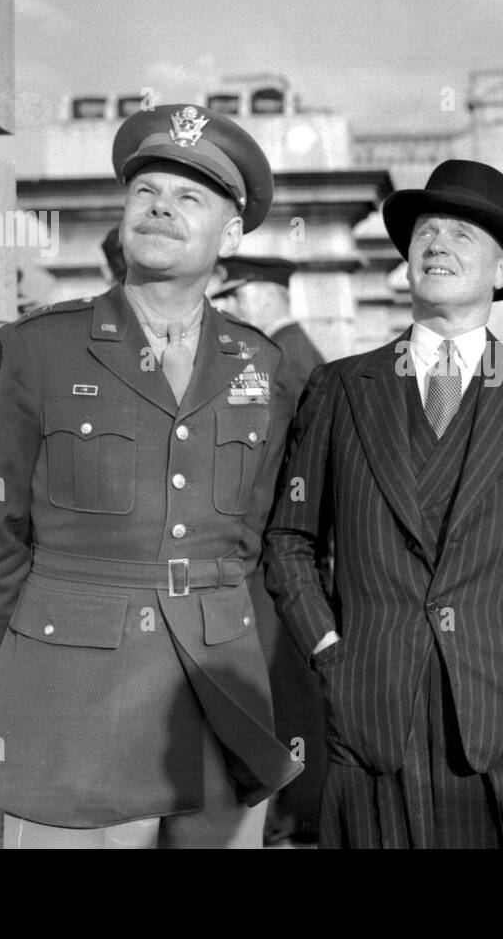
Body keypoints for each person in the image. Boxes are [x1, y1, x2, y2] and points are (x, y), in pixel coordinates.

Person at [0, 103, 302, 848]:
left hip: (218, 701)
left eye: (189, 198)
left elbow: (251, 539)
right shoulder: (37, 349)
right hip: (73, 710)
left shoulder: (260, 366)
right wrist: (61, 630)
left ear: (230, 234)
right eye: (146, 193)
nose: (161, 210)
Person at [265, 159, 503, 849]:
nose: (437, 245)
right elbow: (290, 538)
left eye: (462, 233)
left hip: (500, 715)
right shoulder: (341, 388)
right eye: (426, 230)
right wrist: (329, 647)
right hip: (371, 710)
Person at [209, 254, 329, 845]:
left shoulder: (279, 366)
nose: (224, 308)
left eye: (231, 296)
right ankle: (297, 814)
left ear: (259, 294)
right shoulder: (300, 356)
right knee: (288, 692)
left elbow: (260, 479)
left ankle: (292, 817)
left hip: (268, 560)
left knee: (279, 694)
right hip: (293, 556)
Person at [210, 256, 325, 408]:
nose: (228, 308)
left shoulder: (283, 354)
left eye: (236, 296)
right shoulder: (284, 347)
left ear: (267, 297)